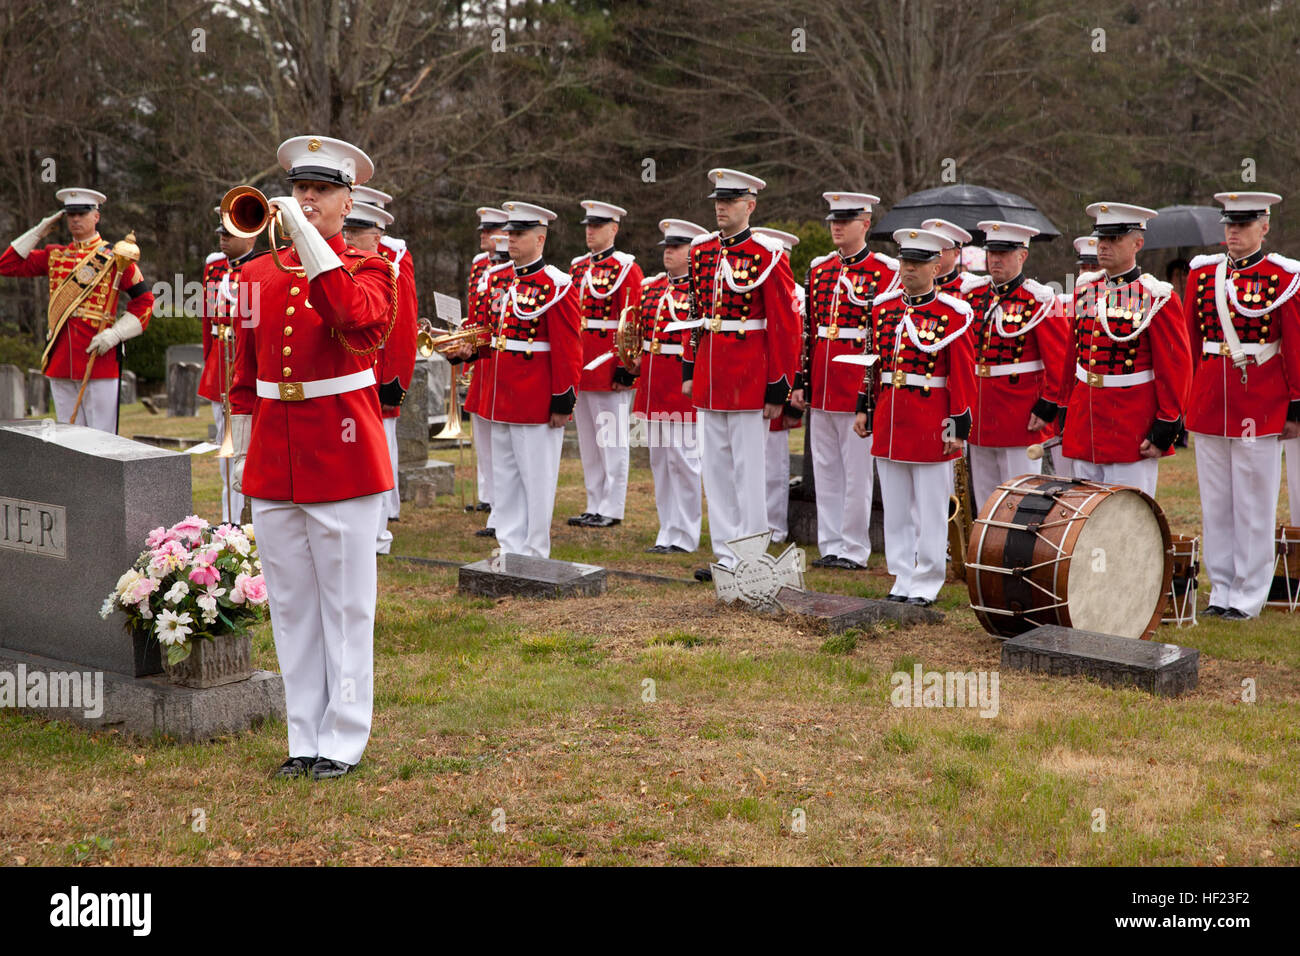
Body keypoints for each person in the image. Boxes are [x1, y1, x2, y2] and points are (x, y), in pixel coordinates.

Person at [229, 134, 397, 781]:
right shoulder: (254, 274)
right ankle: (304, 737)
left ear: (347, 200)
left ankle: (344, 739)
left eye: (322, 190)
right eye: (301, 189)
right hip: (276, 453)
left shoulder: (370, 270)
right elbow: (245, 370)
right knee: (293, 605)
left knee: (347, 607)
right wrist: (241, 440)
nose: (308, 198)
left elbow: (350, 316)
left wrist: (305, 236)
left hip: (343, 454)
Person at [1184, 191, 1300, 619]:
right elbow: (1190, 343)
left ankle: (1250, 594)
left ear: (1264, 227)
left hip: (1261, 399)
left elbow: (1296, 345)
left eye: (1244, 224)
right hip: (1212, 398)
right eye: (1229, 224)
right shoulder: (1202, 274)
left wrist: (1295, 407)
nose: (1234, 231)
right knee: (1216, 501)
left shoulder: (1284, 276)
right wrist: (1185, 402)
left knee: (1253, 501)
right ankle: (1221, 589)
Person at [681, 169, 800, 582]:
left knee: (748, 471)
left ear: (749, 205)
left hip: (749, 375)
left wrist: (779, 385)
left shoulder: (768, 254)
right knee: (714, 470)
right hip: (710, 372)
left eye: (730, 201)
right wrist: (688, 366)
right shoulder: (701, 251)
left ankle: (750, 555)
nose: (720, 206)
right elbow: (695, 315)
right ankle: (725, 556)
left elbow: (785, 326)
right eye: (718, 199)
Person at [853, 228, 974, 606]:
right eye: (905, 260)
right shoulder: (882, 308)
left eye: (918, 262)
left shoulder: (954, 313)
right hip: (891, 416)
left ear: (936, 266)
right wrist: (864, 407)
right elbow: (873, 364)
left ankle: (927, 580)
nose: (908, 268)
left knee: (931, 504)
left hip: (931, 419)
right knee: (896, 506)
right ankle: (902, 576)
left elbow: (962, 374)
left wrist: (958, 426)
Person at [1040, 202, 1191, 498]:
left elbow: (1174, 367)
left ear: (1138, 243)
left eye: (1114, 239)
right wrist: (1064, 405)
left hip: (1130, 425)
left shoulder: (1156, 297)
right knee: (1083, 515)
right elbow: (1074, 354)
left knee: (1128, 516)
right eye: (1101, 238)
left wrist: (1167, 422)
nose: (1104, 246)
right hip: (1086, 420)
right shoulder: (1086, 290)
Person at [471, 201, 582, 558]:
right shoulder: (502, 280)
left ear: (540, 238)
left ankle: (535, 551)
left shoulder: (557, 284)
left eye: (519, 234)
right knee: (504, 478)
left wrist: (563, 398)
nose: (511, 240)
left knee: (536, 480)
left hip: (535, 400)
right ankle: (510, 545)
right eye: (510, 233)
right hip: (501, 398)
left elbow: (568, 348)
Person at [794, 193, 898, 570]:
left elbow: (882, 334)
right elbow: (809, 329)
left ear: (865, 223)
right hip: (821, 378)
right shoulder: (820, 268)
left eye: (846, 220)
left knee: (856, 473)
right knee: (825, 469)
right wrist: (801, 381)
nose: (836, 226)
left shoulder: (884, 270)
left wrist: (870, 393)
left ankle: (854, 548)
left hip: (856, 379)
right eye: (834, 219)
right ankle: (830, 544)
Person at [0, 188, 153, 433]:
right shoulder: (55, 255)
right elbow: (7, 265)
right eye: (70, 214)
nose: (75, 219)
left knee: (102, 439)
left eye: (82, 213)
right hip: (61, 361)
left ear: (96, 217)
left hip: (98, 359)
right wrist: (40, 229)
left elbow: (145, 301)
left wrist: (115, 334)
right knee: (68, 442)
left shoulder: (116, 257)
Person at [963, 220, 1067, 508]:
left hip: (1020, 413)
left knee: (1021, 495)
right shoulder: (972, 296)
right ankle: (987, 550)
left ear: (1022, 255)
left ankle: (1017, 552)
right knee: (985, 495)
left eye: (1004, 253)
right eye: (991, 252)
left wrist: (1049, 403)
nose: (995, 259)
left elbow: (1059, 360)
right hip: (980, 409)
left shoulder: (1040, 300)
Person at [342, 197, 418, 555]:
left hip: (378, 378)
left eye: (358, 231)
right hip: (348, 377)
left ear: (378, 235)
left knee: (378, 457)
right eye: (348, 229)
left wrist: (395, 383)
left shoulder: (392, 262)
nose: (350, 237)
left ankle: (378, 535)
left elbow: (402, 329)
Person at [633, 219, 707, 554]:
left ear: (692, 253)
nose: (669, 253)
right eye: (667, 247)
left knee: (684, 461)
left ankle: (686, 534)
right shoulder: (651, 287)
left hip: (680, 380)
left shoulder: (700, 290)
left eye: (676, 247)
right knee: (660, 462)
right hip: (652, 379)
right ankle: (667, 530)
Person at [568, 200, 643, 528]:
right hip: (582, 362)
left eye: (597, 225)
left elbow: (634, 321)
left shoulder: (627, 268)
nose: (590, 230)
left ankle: (612, 507)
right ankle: (593, 501)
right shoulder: (578, 267)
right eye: (588, 225)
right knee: (588, 439)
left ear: (613, 229)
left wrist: (628, 368)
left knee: (612, 441)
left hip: (610, 362)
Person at [200, 208, 262, 523]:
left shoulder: (262, 267)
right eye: (221, 233)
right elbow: (207, 322)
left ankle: (244, 515)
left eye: (230, 233)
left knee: (246, 443)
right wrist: (209, 362)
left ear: (251, 235)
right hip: (219, 361)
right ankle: (229, 517)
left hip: (246, 359)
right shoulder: (213, 267)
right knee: (222, 445)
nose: (223, 239)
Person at [753, 226, 806, 546]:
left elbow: (797, 348)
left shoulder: (798, 295)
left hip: (779, 384)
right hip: (753, 381)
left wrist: (789, 396)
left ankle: (773, 526)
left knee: (773, 464)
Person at [462, 214, 513, 537]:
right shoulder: (485, 270)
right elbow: (478, 317)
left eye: (491, 231)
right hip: (485, 362)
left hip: (506, 365)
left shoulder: (504, 276)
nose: (485, 236)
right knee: (487, 437)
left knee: (504, 446)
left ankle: (503, 510)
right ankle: (493, 502)